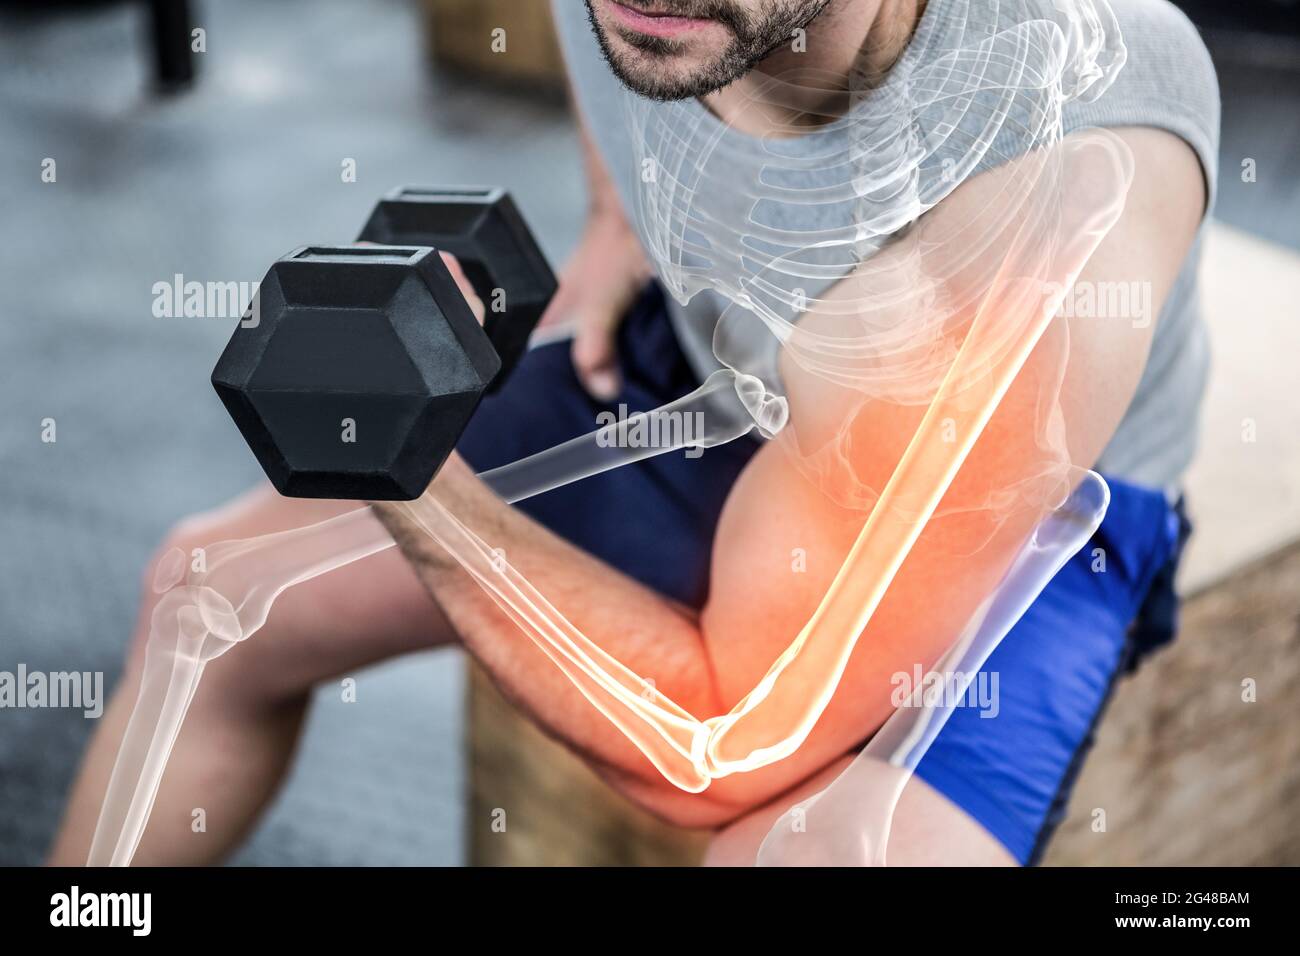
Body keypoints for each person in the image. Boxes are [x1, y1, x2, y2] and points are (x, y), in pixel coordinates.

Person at [50, 0, 1218, 866]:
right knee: (211, 592)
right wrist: (618, 215)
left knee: (811, 851)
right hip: (710, 366)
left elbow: (719, 744)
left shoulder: (1056, 142)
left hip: (1020, 503)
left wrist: (408, 477)